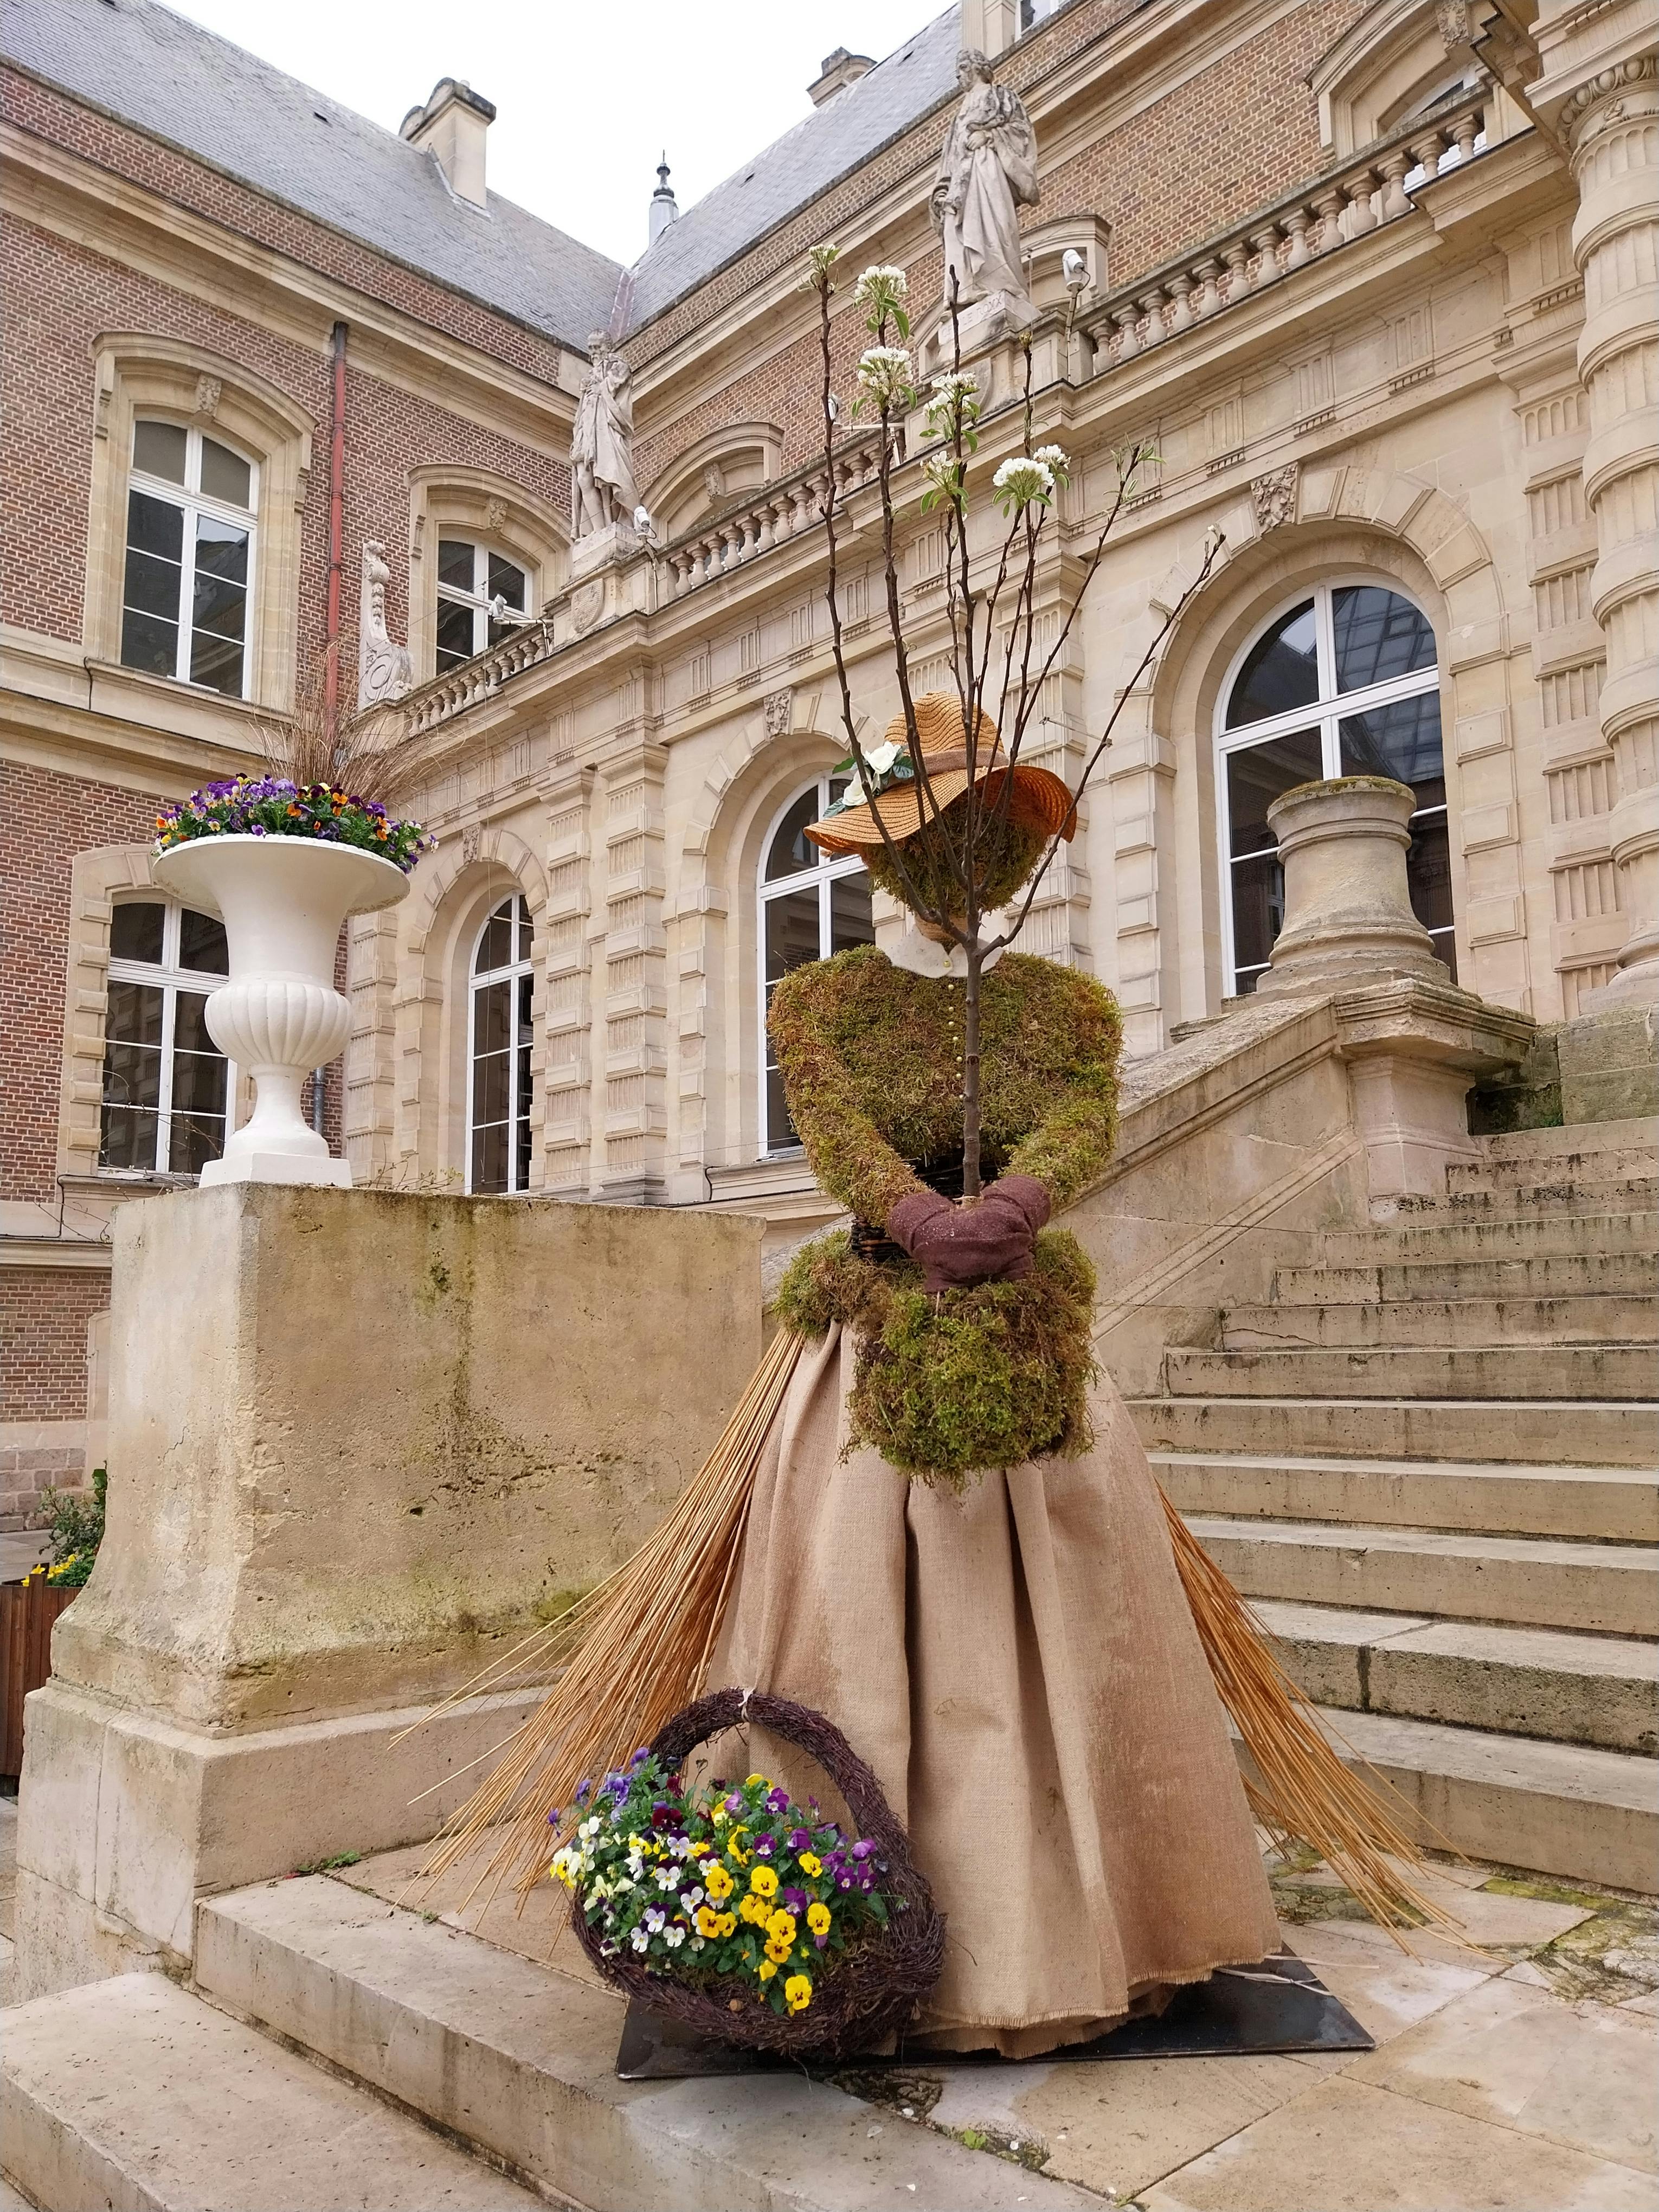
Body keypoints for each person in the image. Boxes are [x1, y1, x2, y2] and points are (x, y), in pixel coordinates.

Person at [708, 695, 1280, 2057]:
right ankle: (840, 1914)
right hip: (864, 1335)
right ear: (889, 850)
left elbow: (1083, 1107)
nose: (968, 855)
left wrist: (1014, 1200)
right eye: (940, 829)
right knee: (849, 1592)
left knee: (1078, 1603)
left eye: (987, 830)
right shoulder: (820, 997)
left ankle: (1093, 1910)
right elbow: (833, 1123)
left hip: (1022, 1324)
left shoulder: (1062, 1003)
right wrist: (917, 1220)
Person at [931, 48, 1040, 329]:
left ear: (978, 68)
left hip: (987, 169)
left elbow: (1021, 133)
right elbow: (949, 159)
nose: (959, 74)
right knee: (958, 231)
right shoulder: (958, 116)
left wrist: (989, 136)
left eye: (963, 66)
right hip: (961, 184)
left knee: (994, 227)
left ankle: (999, 282)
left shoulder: (1001, 97)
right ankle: (967, 292)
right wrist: (942, 190)